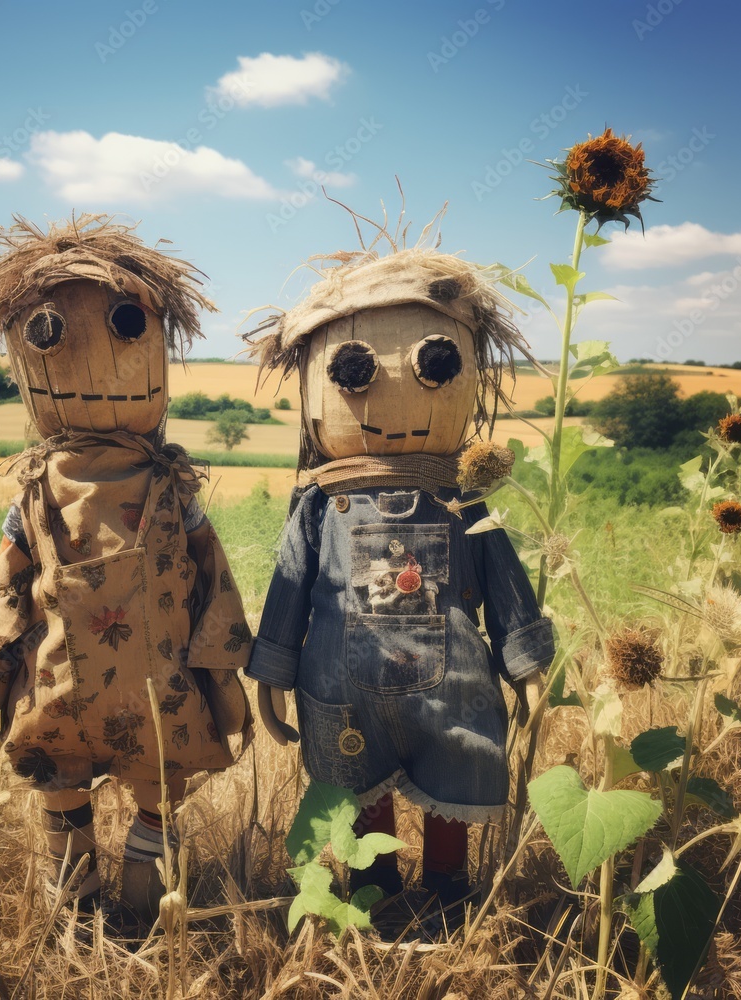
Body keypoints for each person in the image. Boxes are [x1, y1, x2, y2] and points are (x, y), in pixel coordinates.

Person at [0, 214, 252, 934]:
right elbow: (7, 579)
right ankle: (85, 908)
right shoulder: (41, 488)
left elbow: (210, 572)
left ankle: (134, 906)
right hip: (105, 685)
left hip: (118, 684)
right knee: (68, 780)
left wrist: (223, 658)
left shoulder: (170, 483)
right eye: (48, 333)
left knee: (149, 788)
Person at [244, 215, 554, 932]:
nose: (385, 386)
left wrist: (526, 663)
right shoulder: (322, 502)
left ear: (467, 372)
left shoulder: (465, 496)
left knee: (453, 773)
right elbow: (288, 589)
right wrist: (273, 667)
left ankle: (447, 891)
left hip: (455, 688)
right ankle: (377, 890)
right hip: (339, 686)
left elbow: (507, 588)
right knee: (360, 792)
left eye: (436, 365)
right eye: (352, 369)